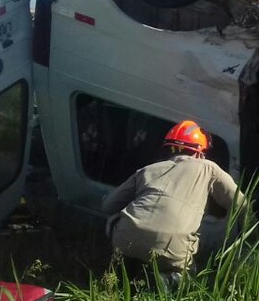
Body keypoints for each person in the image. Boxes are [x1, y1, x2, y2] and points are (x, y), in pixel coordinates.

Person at [104, 120, 242, 285]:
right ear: (199, 153)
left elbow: (108, 206)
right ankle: (166, 281)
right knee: (189, 276)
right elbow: (241, 204)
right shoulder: (208, 168)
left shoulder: (147, 170)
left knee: (114, 222)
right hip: (172, 248)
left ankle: (120, 276)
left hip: (126, 239)